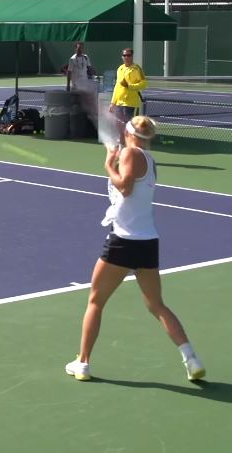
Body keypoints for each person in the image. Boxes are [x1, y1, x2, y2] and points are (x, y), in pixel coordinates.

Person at [64, 115, 205, 382]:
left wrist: (109, 164)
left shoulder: (129, 154)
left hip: (123, 242)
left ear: (129, 134)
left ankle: (82, 363)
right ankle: (191, 359)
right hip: (147, 243)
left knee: (95, 302)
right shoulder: (150, 161)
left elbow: (126, 188)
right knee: (157, 305)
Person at [110, 47, 147, 131]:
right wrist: (113, 103)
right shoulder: (120, 68)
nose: (126, 57)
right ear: (122, 57)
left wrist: (130, 86)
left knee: (129, 125)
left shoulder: (137, 69)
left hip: (130, 103)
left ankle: (130, 138)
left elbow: (144, 84)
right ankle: (121, 139)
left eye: (128, 55)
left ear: (132, 56)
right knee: (118, 124)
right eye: (124, 55)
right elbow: (117, 86)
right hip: (119, 102)